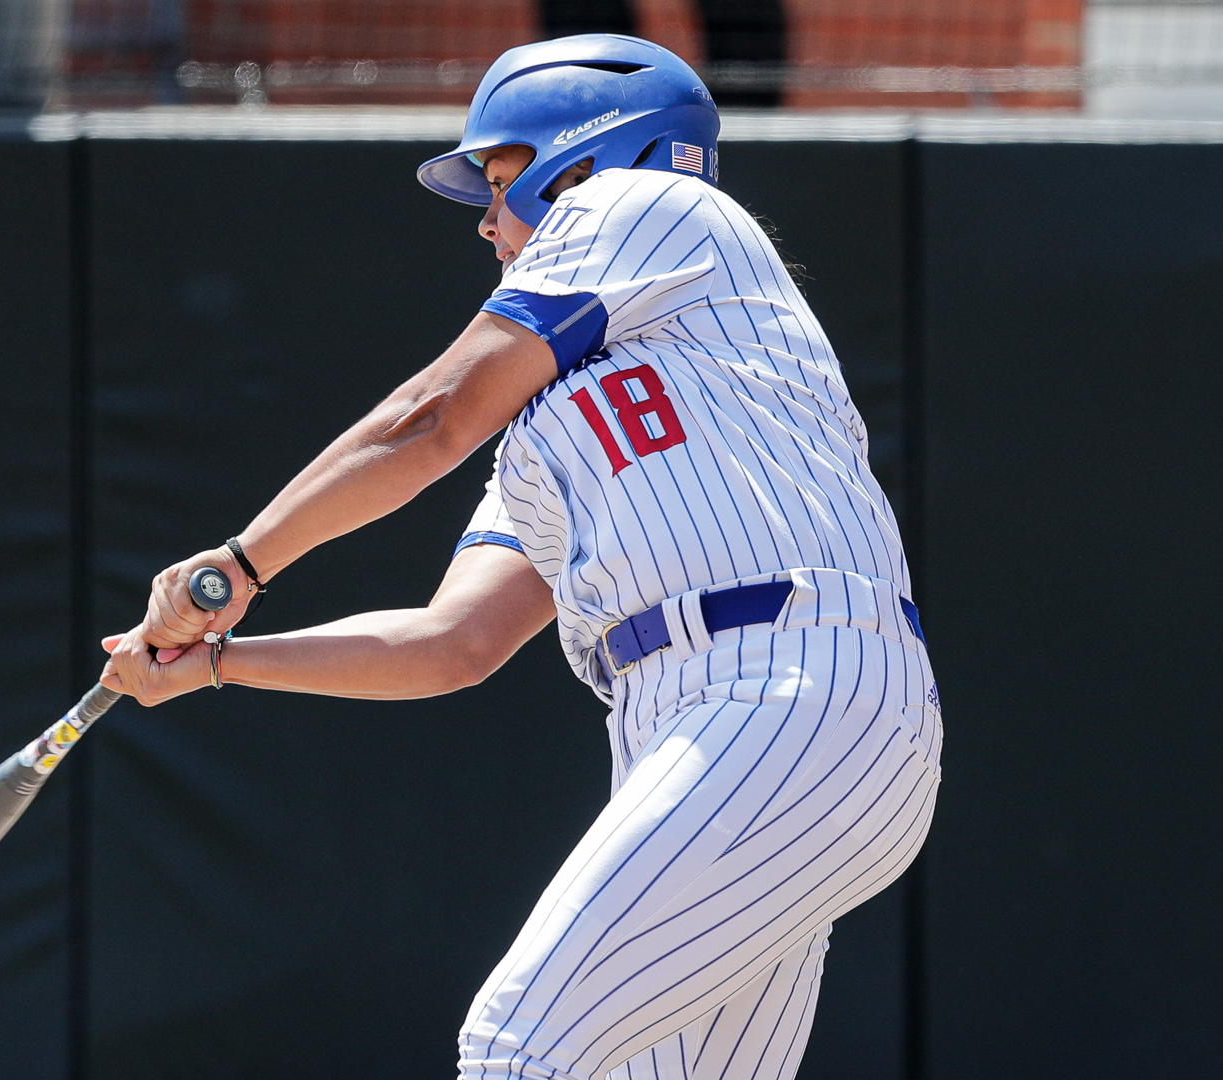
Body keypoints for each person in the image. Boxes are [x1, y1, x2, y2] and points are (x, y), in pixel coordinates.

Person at [100, 34, 941, 1080]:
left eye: (500, 181)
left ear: (579, 160)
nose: (489, 222)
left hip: (790, 684)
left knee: (519, 1047)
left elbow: (427, 419)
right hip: (709, 726)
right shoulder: (545, 435)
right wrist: (222, 658)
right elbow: (451, 642)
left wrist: (235, 567)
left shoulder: (649, 207)